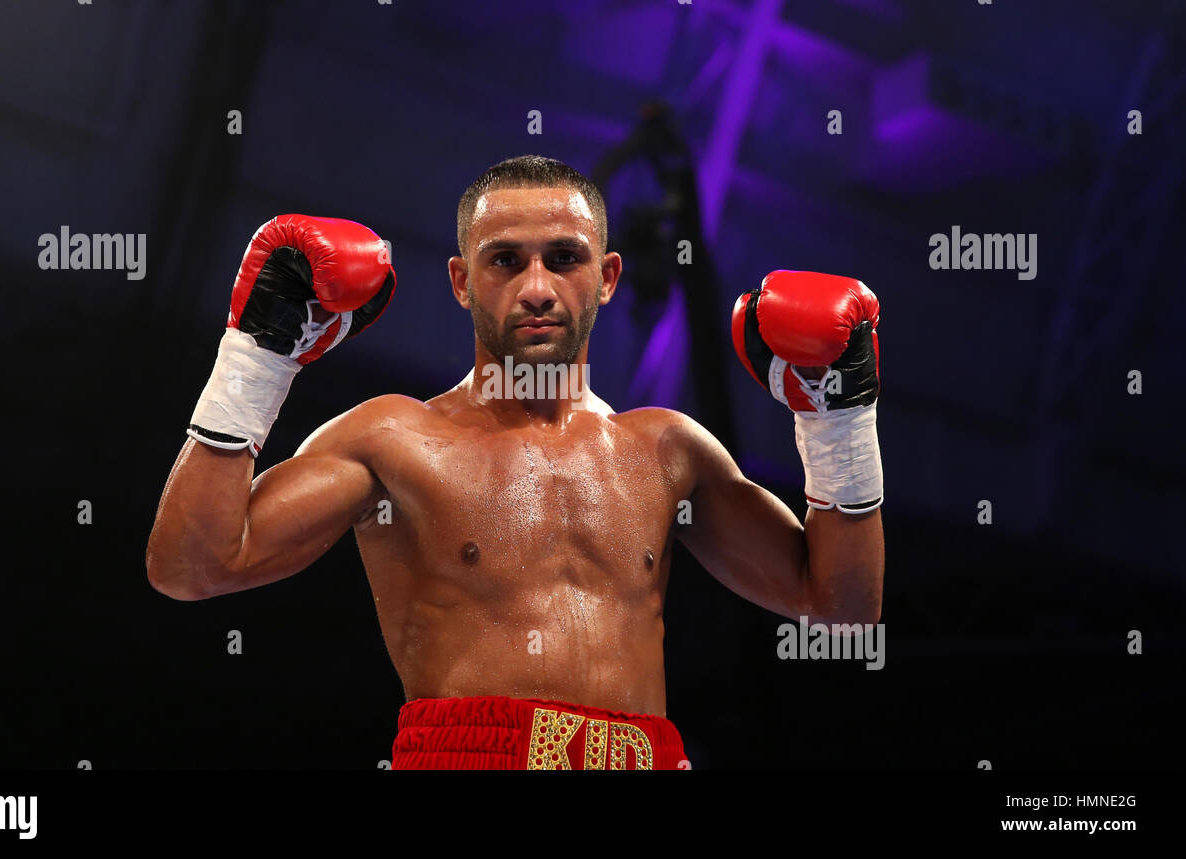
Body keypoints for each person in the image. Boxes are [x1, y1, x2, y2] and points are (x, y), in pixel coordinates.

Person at [145, 155, 885, 769]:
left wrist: (841, 421)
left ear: (607, 276)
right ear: (463, 280)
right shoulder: (394, 439)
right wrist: (258, 357)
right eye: (505, 260)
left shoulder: (668, 449)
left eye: (564, 258)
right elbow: (193, 566)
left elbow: (842, 608)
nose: (536, 288)